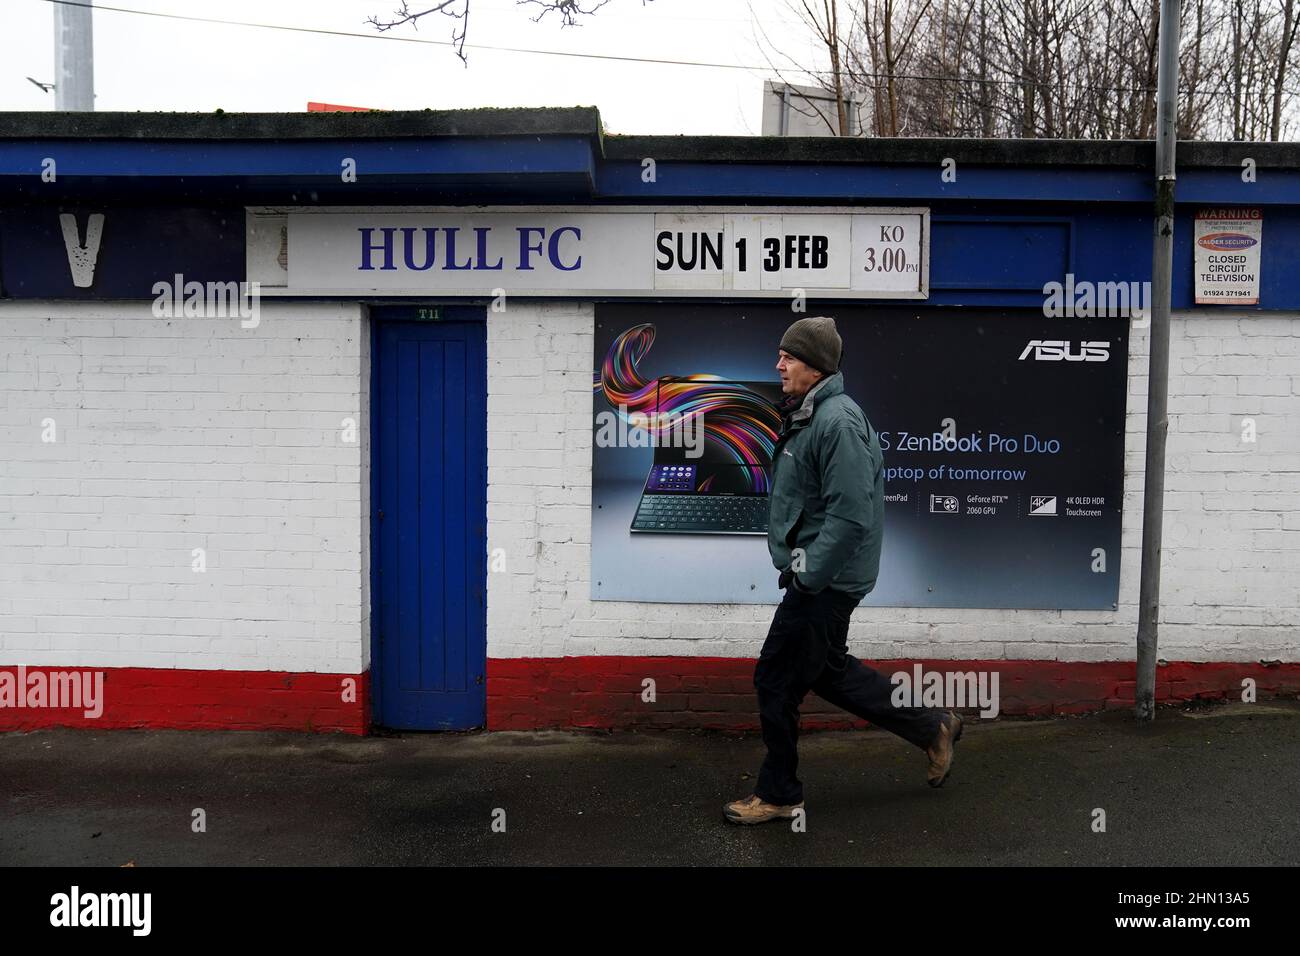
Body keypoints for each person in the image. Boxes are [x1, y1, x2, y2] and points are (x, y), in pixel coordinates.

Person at [724, 316, 963, 826]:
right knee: (826, 670)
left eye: (787, 356)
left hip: (824, 581)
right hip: (820, 575)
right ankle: (932, 726)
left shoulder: (837, 422)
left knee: (775, 679)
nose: (778, 364)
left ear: (814, 365)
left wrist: (808, 577)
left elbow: (851, 516)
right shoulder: (813, 414)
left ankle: (780, 793)